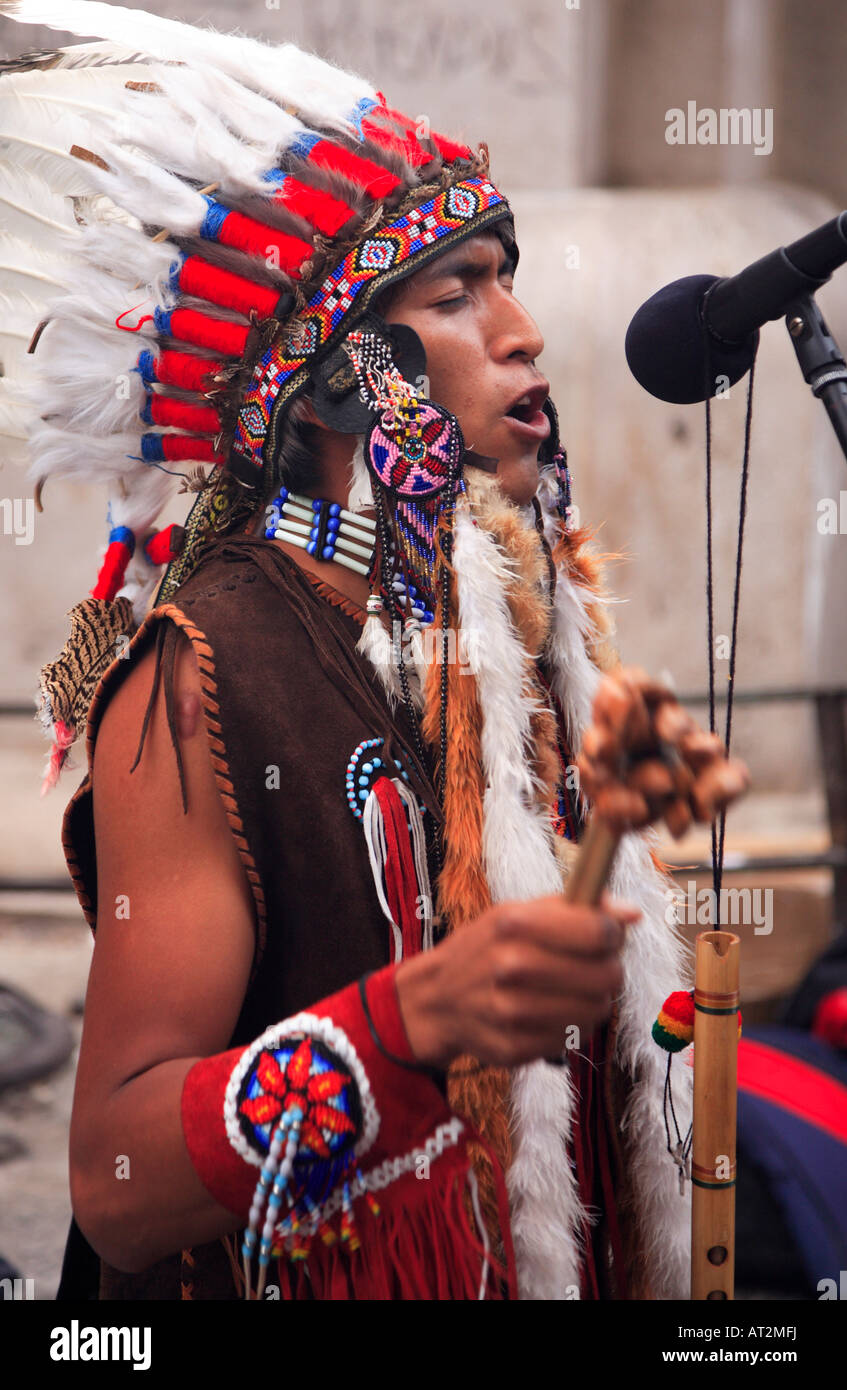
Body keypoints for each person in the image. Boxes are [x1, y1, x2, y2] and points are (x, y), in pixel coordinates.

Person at [2, 0, 695, 1300]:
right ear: (347, 379)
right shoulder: (205, 670)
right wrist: (409, 1020)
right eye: (459, 290)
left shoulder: (514, 627)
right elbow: (118, 1181)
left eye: (510, 274)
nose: (523, 328)